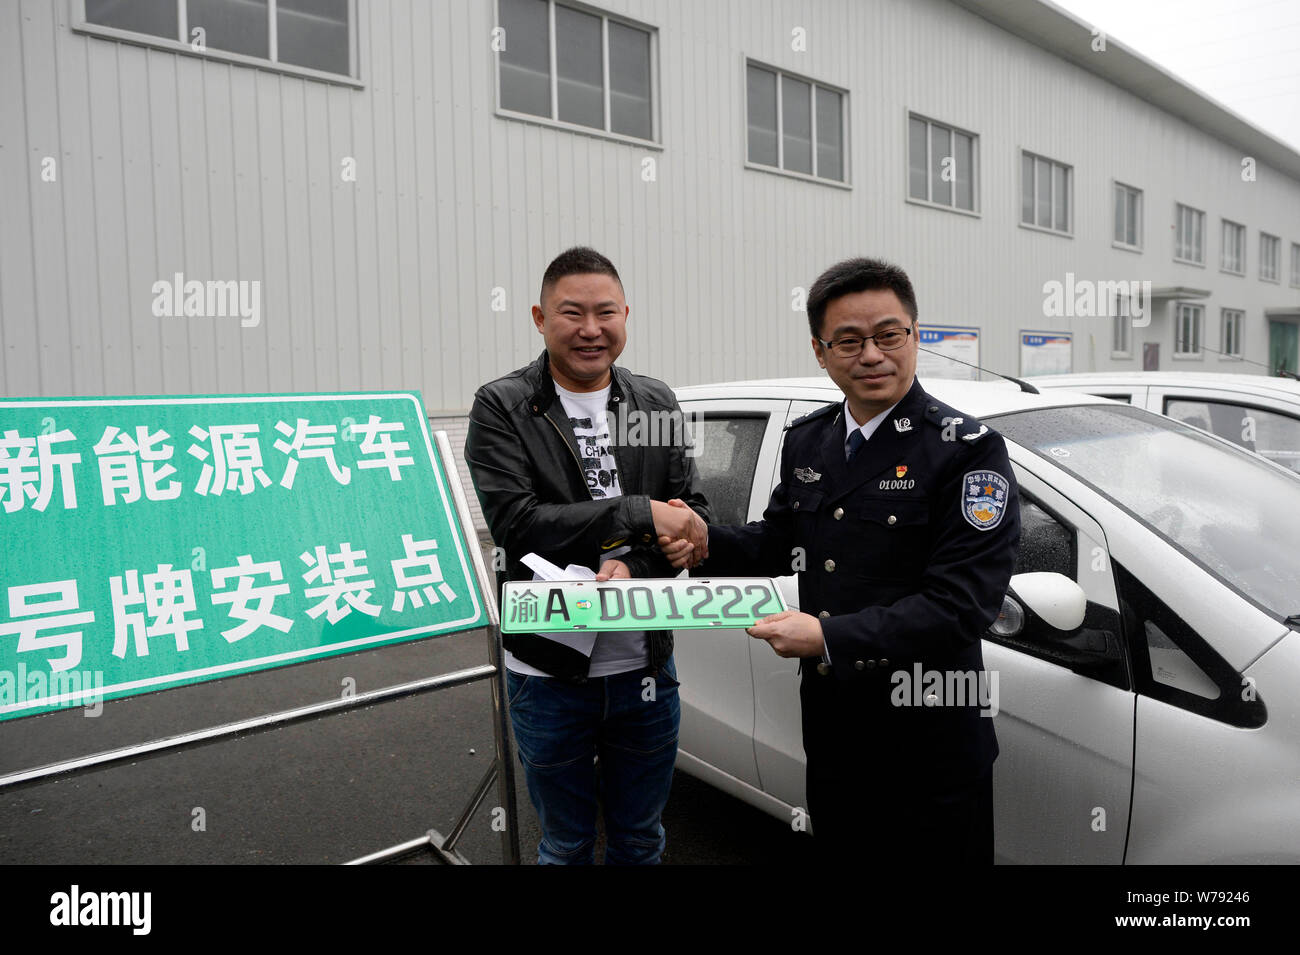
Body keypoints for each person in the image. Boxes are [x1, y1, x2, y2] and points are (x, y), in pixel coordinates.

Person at [661, 257, 1020, 863]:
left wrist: (827, 636)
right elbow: (778, 541)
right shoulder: (810, 439)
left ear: (914, 336)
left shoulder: (966, 451)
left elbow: (962, 606)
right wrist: (702, 542)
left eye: (889, 335)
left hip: (929, 737)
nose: (872, 355)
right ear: (820, 351)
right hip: (834, 729)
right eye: (849, 341)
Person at [465, 246, 710, 865]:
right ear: (538, 317)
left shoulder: (655, 402)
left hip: (645, 666)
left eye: (605, 312)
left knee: (640, 838)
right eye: (571, 313)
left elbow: (690, 513)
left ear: (626, 314)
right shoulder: (503, 406)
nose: (591, 329)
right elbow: (517, 525)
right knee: (566, 844)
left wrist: (640, 562)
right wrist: (637, 514)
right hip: (547, 670)